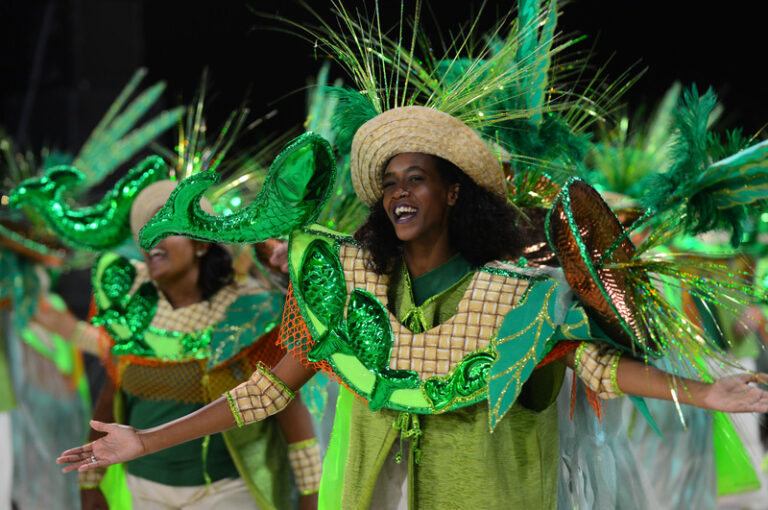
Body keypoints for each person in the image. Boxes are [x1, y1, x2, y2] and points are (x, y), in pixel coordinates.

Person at [58, 107, 768, 509]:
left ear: (454, 192)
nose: (400, 193)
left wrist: (707, 391)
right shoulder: (346, 288)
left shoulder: (514, 291)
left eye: (418, 179)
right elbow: (266, 392)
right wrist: (145, 442)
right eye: (390, 182)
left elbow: (595, 364)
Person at [45, 180, 321, 510]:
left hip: (228, 493)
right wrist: (90, 481)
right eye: (148, 231)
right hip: (144, 490)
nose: (153, 239)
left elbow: (286, 405)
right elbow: (113, 394)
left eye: (168, 227)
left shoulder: (250, 313)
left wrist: (311, 494)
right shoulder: (132, 313)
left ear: (201, 244)